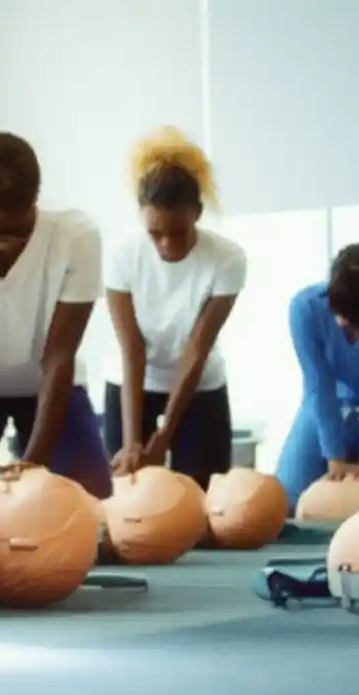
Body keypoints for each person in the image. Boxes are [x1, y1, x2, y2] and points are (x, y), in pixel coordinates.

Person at [0, 131, 111, 498]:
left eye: (19, 219)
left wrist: (35, 462)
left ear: (35, 198)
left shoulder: (76, 235)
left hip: (50, 388)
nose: (10, 230)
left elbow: (59, 355)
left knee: (93, 506)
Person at [102, 126, 246, 491]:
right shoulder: (123, 256)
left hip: (200, 387)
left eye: (178, 232)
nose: (166, 245)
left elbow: (196, 349)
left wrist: (165, 433)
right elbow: (132, 347)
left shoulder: (226, 259)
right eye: (155, 233)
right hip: (133, 385)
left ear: (197, 212)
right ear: (141, 217)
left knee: (201, 500)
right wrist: (134, 440)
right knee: (126, 496)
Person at [277, 244, 359, 510]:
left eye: (354, 321)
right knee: (286, 496)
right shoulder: (305, 308)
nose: (342, 324)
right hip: (328, 403)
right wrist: (333, 453)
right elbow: (318, 385)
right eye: (337, 314)